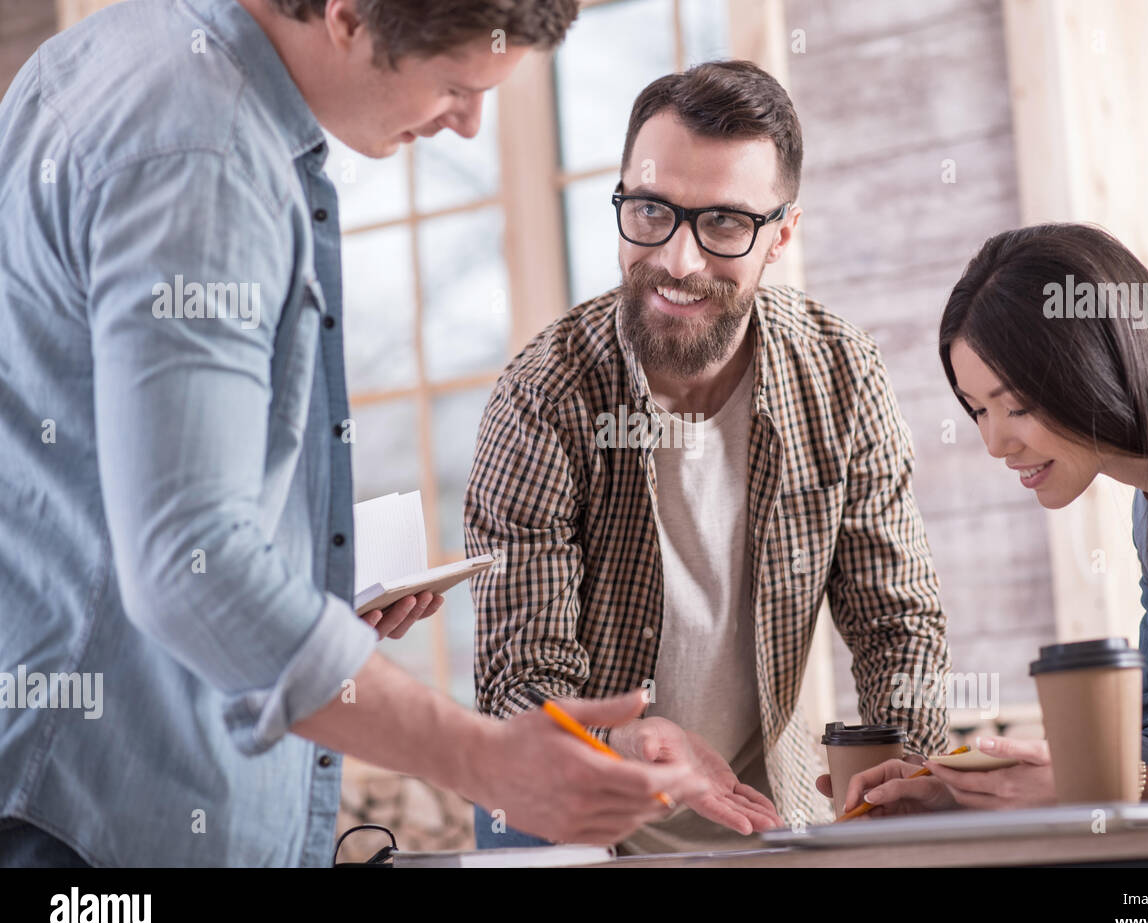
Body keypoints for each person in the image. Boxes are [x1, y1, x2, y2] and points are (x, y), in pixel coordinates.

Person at [0, 0, 706, 867]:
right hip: (102, 830)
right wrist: (485, 761)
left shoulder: (107, 60)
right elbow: (192, 561)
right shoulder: (205, 154)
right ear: (346, 15)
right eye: (454, 85)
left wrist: (308, 595)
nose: (468, 122)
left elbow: (91, 493)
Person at [464, 59, 952, 853]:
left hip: (764, 821)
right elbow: (522, 684)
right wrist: (629, 745)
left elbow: (897, 620)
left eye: (724, 223)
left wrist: (912, 770)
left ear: (782, 235)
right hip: (569, 822)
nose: (679, 261)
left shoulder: (839, 374)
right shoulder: (543, 396)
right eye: (652, 211)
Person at [840, 222, 1148, 817]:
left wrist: (1101, 783)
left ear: (1099, 361)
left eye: (1018, 406)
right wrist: (974, 784)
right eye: (978, 410)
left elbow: (1141, 776)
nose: (995, 444)